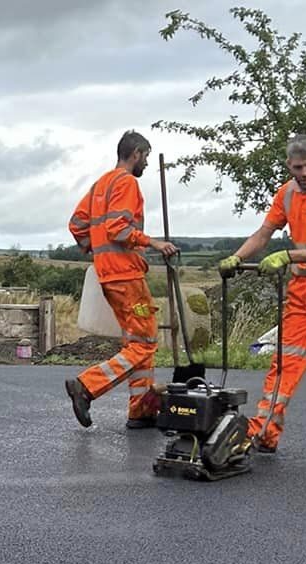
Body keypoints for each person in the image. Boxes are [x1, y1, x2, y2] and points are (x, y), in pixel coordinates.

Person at [218, 133, 306, 459]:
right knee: (283, 363)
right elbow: (264, 232)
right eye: (298, 167)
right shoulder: (286, 193)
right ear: (289, 165)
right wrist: (237, 257)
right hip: (301, 292)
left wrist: (288, 256)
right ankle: (264, 433)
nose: (305, 173)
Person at [63, 130, 181, 429]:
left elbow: (76, 225)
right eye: (146, 157)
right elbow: (118, 228)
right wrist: (153, 243)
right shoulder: (127, 183)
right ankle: (87, 386)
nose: (146, 164)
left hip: (108, 275)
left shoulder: (100, 184)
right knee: (144, 345)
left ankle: (141, 410)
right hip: (126, 275)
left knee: (138, 340)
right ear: (137, 153)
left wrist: (95, 248)